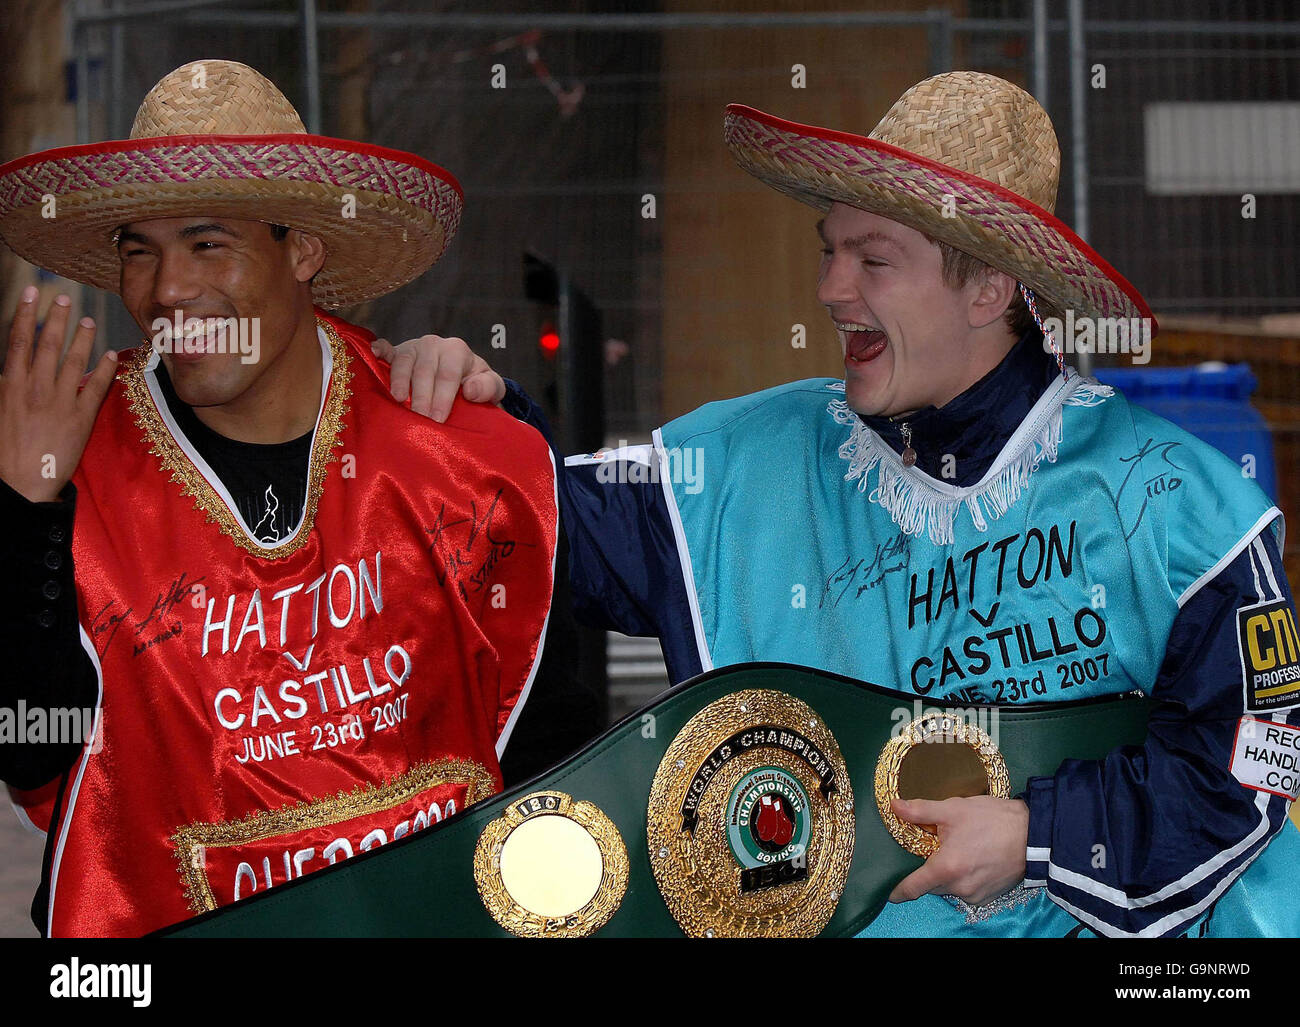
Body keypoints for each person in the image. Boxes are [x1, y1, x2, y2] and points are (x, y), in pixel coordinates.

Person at [383, 71, 1300, 937]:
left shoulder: (1180, 506)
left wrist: (1037, 835)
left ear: (989, 283)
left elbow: (1251, 773)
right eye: (830, 250)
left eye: (874, 258)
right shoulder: (745, 463)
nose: (829, 290)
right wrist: (464, 418)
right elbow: (533, 521)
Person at [0, 60, 561, 937]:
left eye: (206, 241)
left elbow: (547, 776)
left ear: (302, 247)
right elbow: (32, 756)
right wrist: (23, 513)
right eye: (138, 250)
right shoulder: (64, 453)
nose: (168, 289)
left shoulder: (455, 455)